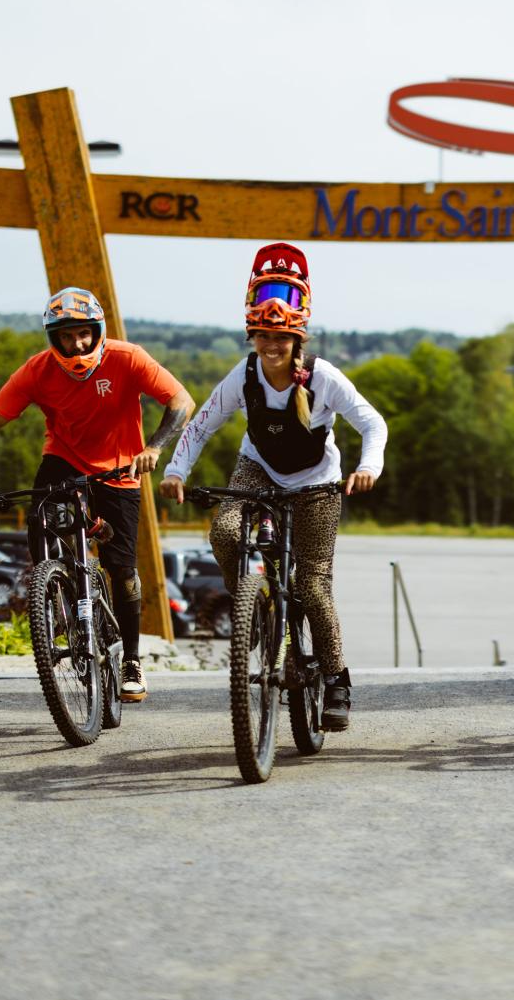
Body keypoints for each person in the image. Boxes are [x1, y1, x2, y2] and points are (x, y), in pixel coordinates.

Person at [159, 242, 385, 732]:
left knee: (312, 586)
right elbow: (201, 425)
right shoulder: (243, 377)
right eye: (262, 336)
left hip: (317, 482)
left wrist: (369, 466)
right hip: (257, 469)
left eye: (281, 337)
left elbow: (372, 423)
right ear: (252, 336)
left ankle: (337, 679)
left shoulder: (321, 378)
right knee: (224, 532)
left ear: (296, 338)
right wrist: (177, 470)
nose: (271, 346)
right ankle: (255, 606)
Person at [0, 286, 195, 700]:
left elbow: (181, 401)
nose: (78, 344)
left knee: (123, 569)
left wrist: (154, 447)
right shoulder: (37, 370)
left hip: (120, 470)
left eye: (84, 333)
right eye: (67, 336)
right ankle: (59, 589)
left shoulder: (127, 357)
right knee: (40, 526)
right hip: (64, 461)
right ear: (54, 338)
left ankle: (131, 660)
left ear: (97, 330)